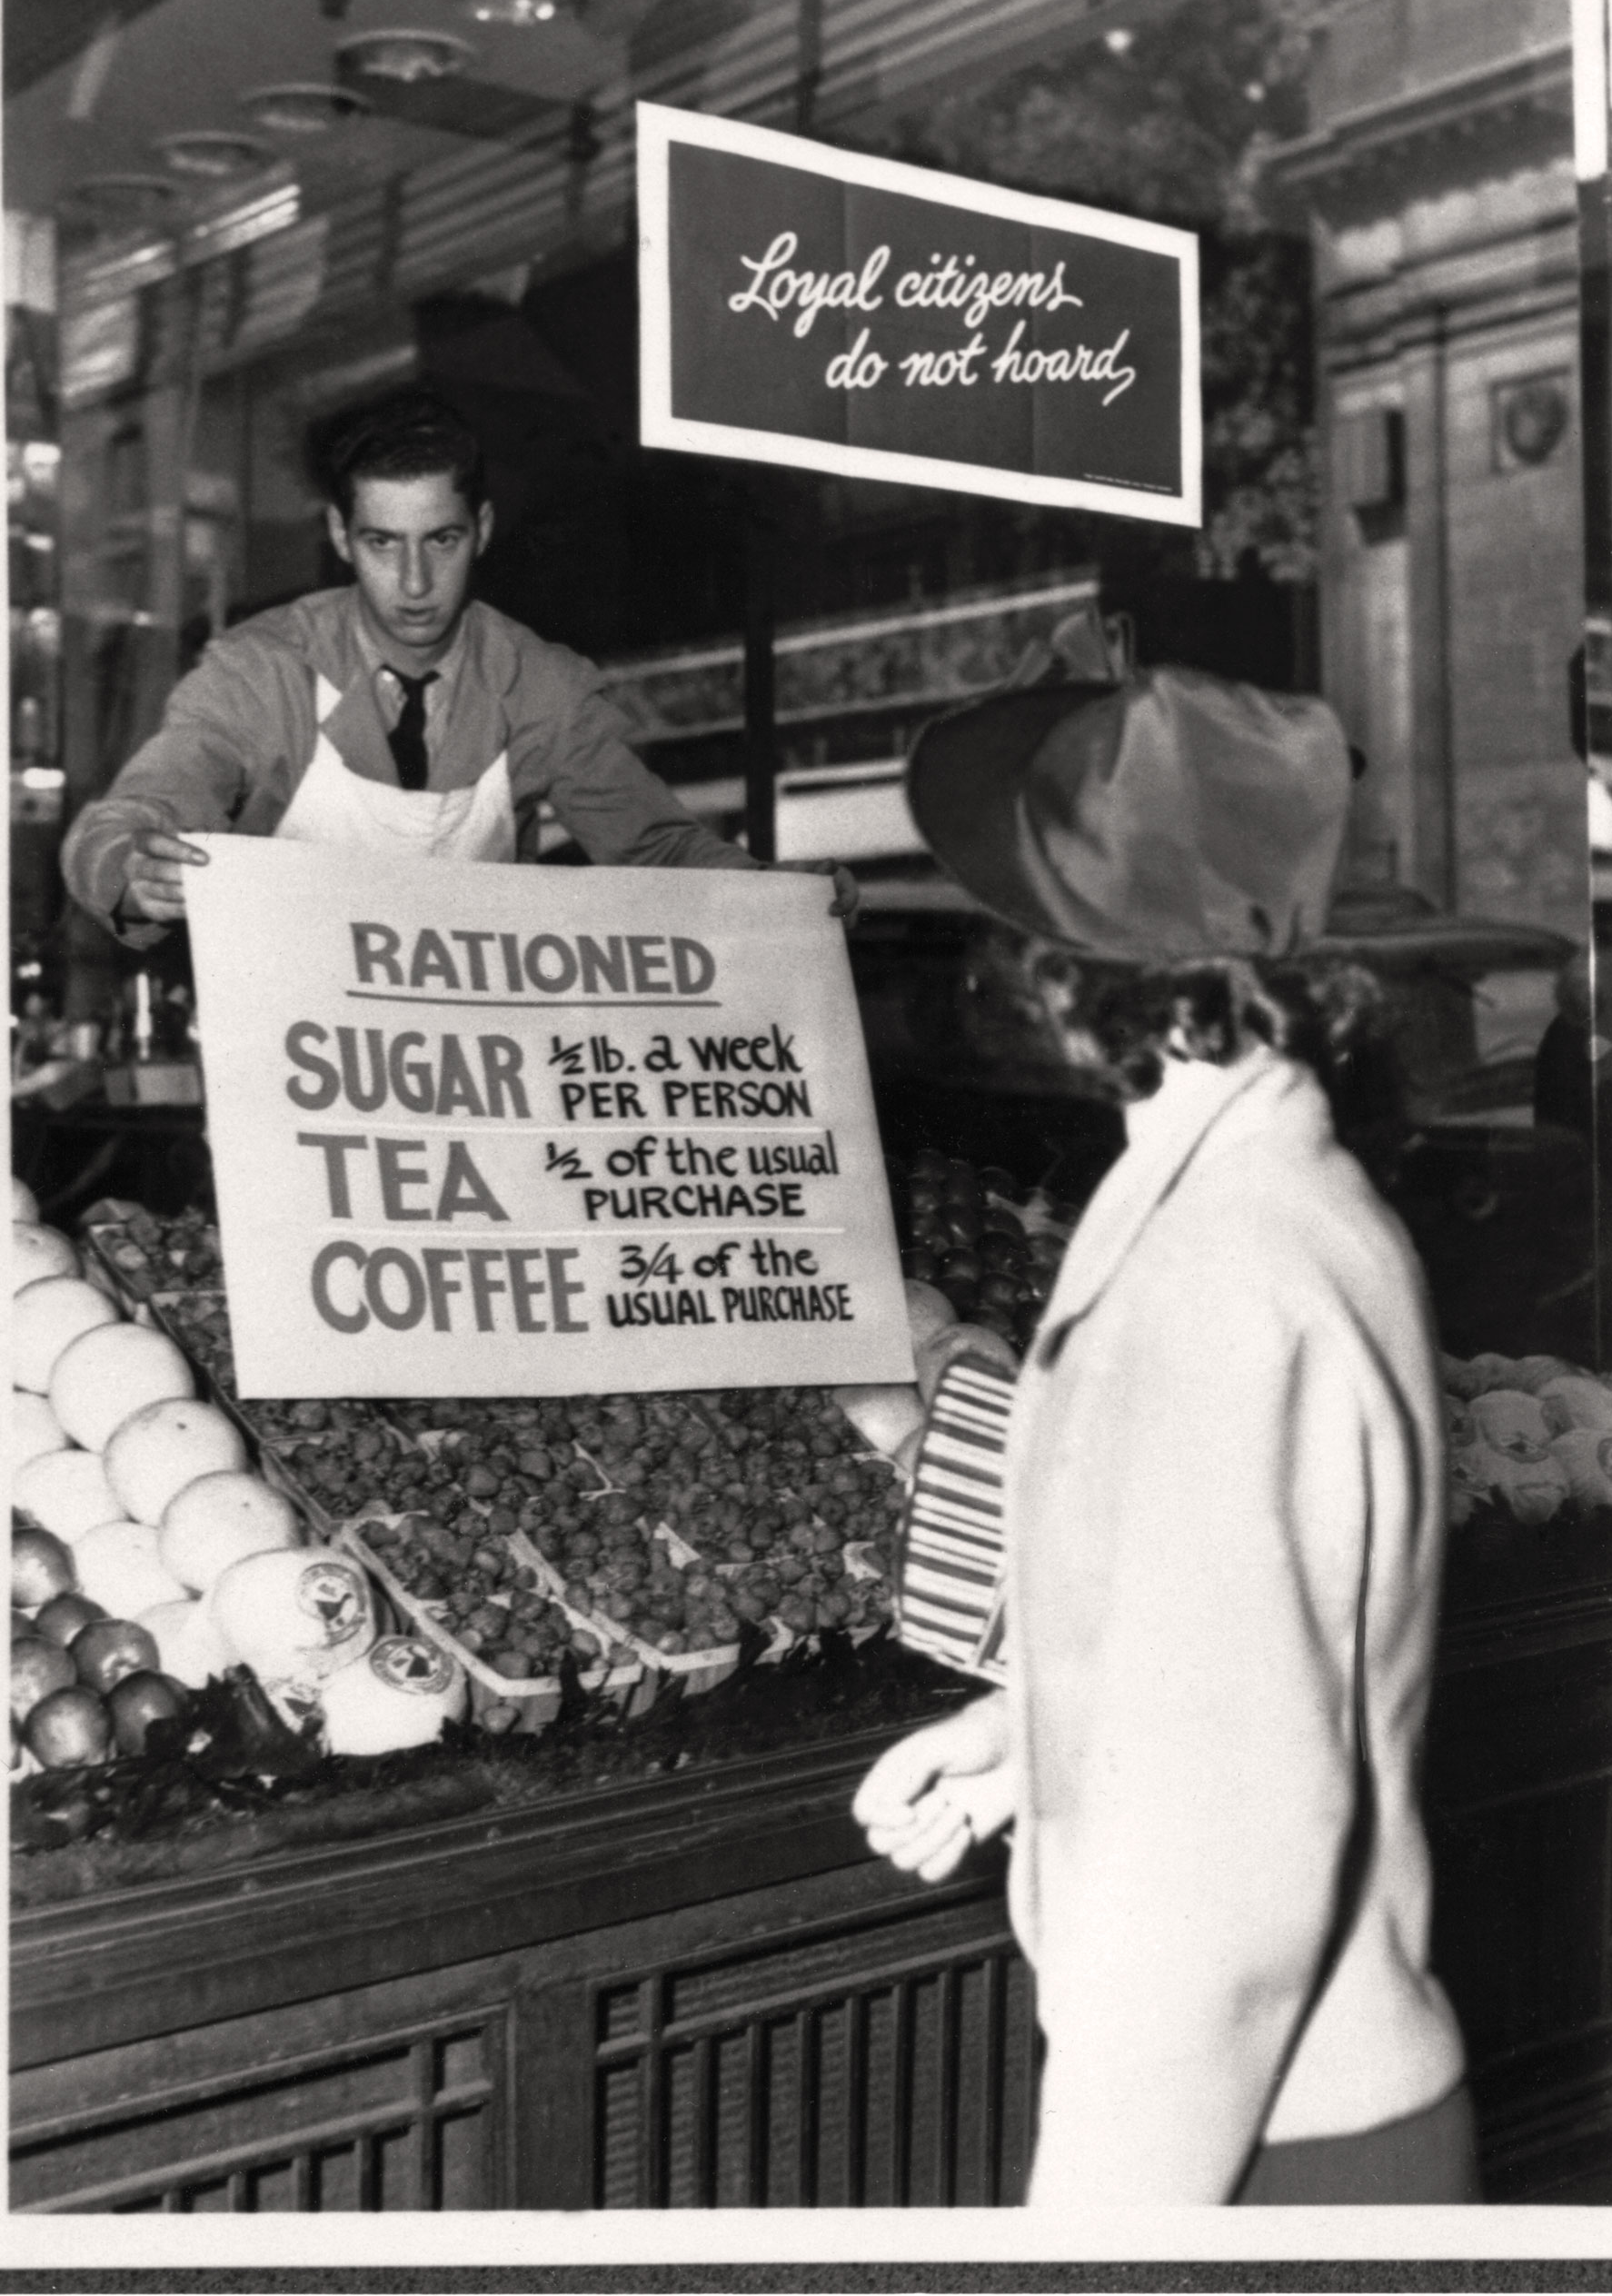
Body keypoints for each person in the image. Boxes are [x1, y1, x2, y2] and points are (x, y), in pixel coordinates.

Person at [854, 661, 1475, 2207]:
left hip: (1260, 2149)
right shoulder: (1294, 1197)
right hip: (1351, 2095)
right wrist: (1050, 1729)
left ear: (1071, 963)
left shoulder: (1207, 1276)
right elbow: (1268, 1667)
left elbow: (1224, 1907)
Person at [62, 387, 855, 939]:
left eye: (439, 541)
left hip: (471, 1071)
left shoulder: (539, 684)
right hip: (294, 1062)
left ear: (479, 529)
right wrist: (131, 868)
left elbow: (654, 849)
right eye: (382, 544)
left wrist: (766, 891)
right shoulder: (260, 673)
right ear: (341, 537)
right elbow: (131, 815)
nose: (413, 585)